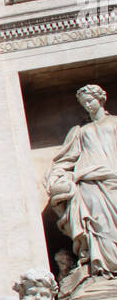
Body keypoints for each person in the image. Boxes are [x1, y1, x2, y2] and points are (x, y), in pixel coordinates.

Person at [47, 84, 117, 276]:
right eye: (83, 102)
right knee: (97, 220)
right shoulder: (80, 130)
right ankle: (101, 265)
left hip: (112, 175)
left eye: (90, 100)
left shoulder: (114, 123)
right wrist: (56, 177)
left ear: (101, 99)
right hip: (88, 180)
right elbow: (67, 158)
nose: (87, 104)